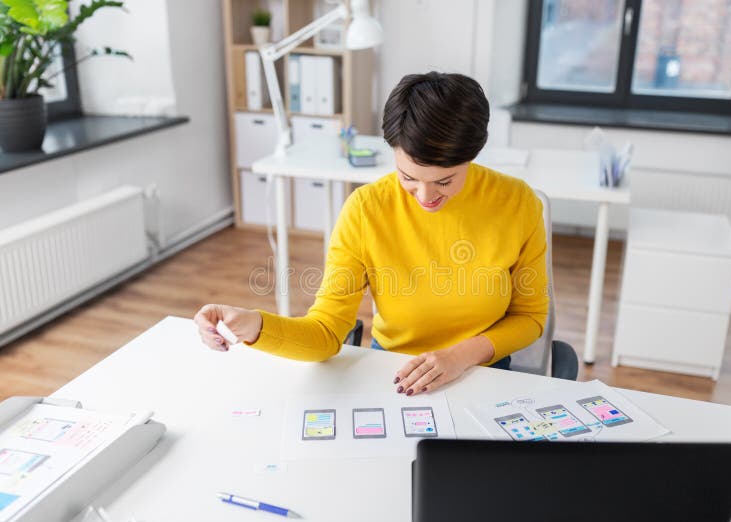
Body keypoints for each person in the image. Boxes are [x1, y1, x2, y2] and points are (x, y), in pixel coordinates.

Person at [194, 72, 548, 397]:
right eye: (408, 177)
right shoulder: (366, 209)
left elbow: (530, 317)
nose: (425, 197)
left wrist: (460, 356)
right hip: (393, 374)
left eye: (444, 181)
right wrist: (255, 325)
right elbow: (326, 331)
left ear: (472, 155)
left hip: (482, 372)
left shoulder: (517, 203)